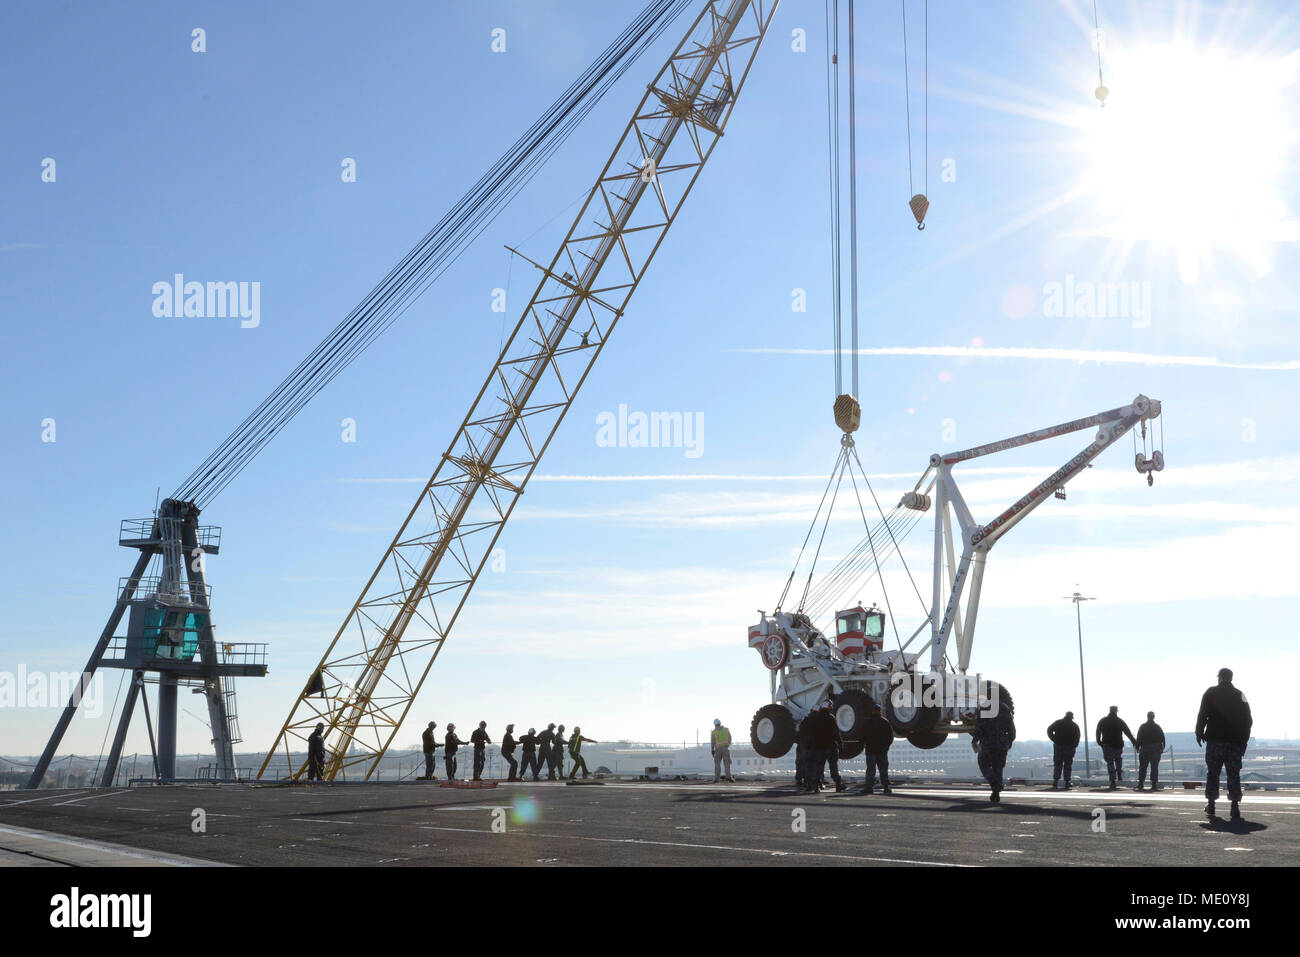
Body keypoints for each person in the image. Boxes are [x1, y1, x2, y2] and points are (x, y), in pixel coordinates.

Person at [1196, 667, 1253, 820]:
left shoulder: (1210, 693)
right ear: (1231, 678)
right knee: (1233, 773)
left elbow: (1202, 714)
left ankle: (1211, 804)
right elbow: (1248, 721)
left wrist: (1199, 733)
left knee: (1213, 772)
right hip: (1234, 743)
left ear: (1220, 677)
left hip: (1215, 741)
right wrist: (1244, 741)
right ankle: (1234, 806)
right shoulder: (1239, 695)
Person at [970, 691, 1016, 803]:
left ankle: (994, 782)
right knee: (998, 767)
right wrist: (1010, 741)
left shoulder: (985, 707)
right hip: (1002, 743)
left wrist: (975, 739)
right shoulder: (1005, 708)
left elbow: (980, 726)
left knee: (983, 763)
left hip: (988, 742)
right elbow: (1011, 727)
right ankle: (996, 792)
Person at [805, 700, 844, 793]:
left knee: (819, 768)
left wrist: (811, 745)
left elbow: (811, 734)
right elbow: (836, 733)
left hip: (819, 748)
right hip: (831, 747)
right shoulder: (831, 718)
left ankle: (816, 786)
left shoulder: (815, 719)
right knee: (833, 767)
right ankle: (838, 785)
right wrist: (840, 744)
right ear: (829, 707)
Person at [1095, 706, 1136, 789]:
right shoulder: (1119, 721)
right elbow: (1128, 733)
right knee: (1118, 759)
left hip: (1107, 745)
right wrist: (1134, 742)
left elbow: (1098, 732)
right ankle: (1119, 773)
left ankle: (1113, 780)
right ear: (1116, 711)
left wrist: (1100, 743)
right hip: (1118, 745)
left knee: (1110, 762)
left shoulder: (1103, 721)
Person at [861, 703, 893, 795]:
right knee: (883, 770)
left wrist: (863, 746)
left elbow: (862, 737)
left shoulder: (867, 722)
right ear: (880, 711)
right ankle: (886, 787)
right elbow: (890, 737)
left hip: (870, 750)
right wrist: (886, 747)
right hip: (882, 750)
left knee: (870, 770)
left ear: (873, 711)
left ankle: (869, 788)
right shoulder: (885, 722)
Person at [1046, 711, 1081, 789]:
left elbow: (1049, 730)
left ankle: (1055, 781)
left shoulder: (1058, 723)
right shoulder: (1074, 725)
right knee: (1068, 765)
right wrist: (1074, 745)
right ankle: (1067, 782)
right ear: (1071, 717)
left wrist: (1054, 739)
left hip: (1058, 746)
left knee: (1058, 764)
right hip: (1069, 747)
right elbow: (1077, 737)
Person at [1134, 711, 1166, 791]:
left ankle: (1141, 783)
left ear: (1147, 716)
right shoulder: (1157, 727)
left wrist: (1137, 747)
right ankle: (1154, 784)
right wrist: (1162, 748)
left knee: (1143, 767)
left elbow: (1139, 738)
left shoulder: (1143, 727)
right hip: (1156, 749)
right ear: (1153, 717)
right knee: (1154, 767)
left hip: (1145, 749)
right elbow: (1163, 738)